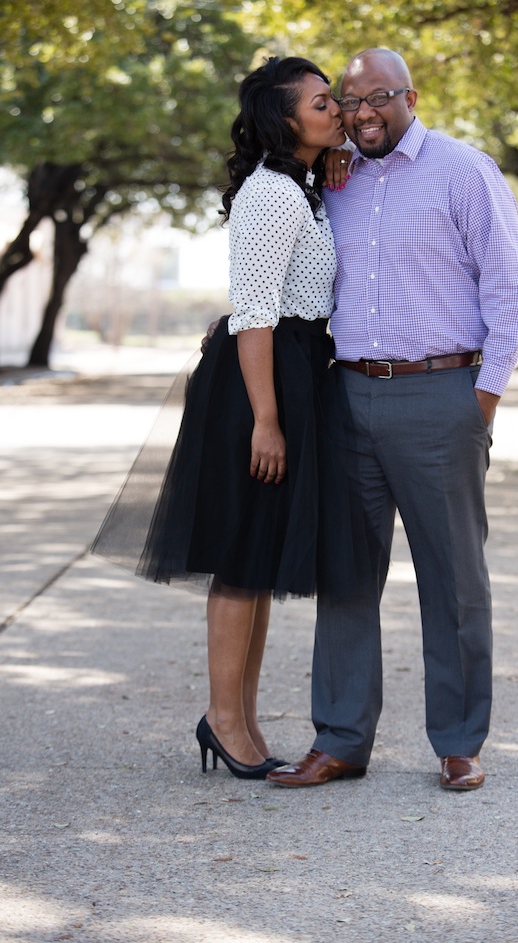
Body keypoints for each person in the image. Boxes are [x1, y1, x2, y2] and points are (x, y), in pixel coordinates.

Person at [267, 48, 518, 792]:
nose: (362, 114)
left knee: (452, 579)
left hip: (441, 395)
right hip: (348, 397)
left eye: (377, 98)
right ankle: (342, 740)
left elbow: (508, 286)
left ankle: (458, 742)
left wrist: (483, 399)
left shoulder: (463, 170)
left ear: (410, 95)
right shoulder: (335, 176)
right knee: (346, 575)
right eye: (349, 103)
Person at [92, 56, 357, 781]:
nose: (336, 110)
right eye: (320, 102)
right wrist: (265, 421)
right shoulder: (272, 195)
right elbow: (255, 313)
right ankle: (225, 719)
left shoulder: (303, 189)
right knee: (242, 556)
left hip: (294, 373)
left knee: (260, 558)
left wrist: (334, 169)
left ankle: (238, 715)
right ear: (283, 118)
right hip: (259, 384)